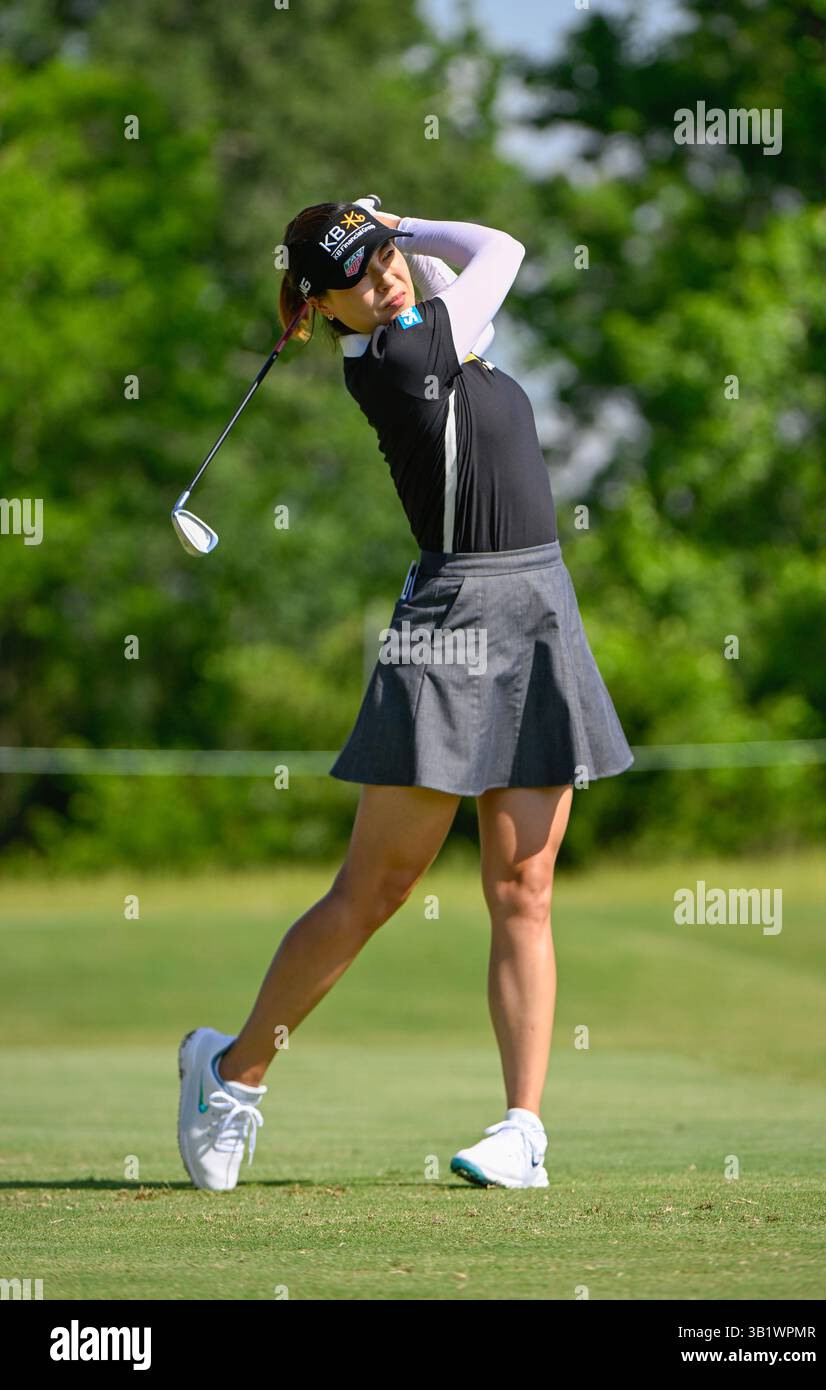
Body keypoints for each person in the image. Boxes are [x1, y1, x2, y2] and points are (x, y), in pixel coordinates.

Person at [177, 199, 634, 1192]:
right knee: (375, 890)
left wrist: (390, 226)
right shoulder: (397, 356)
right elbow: (501, 249)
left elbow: (470, 264)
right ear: (321, 308)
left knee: (524, 886)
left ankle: (522, 1131)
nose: (385, 273)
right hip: (457, 619)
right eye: (359, 271)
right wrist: (412, 223)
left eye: (385, 256)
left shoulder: (440, 333)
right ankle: (229, 1072)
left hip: (538, 609)